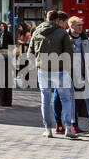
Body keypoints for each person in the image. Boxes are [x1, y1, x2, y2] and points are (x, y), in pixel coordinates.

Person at [31, 10, 77, 138]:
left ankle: (48, 129)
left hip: (43, 70)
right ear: (57, 20)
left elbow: (31, 51)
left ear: (47, 19)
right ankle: (68, 128)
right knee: (66, 99)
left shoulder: (37, 31)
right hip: (60, 69)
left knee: (45, 100)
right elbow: (69, 53)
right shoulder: (62, 32)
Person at [66, 15, 89, 134]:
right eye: (78, 25)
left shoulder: (85, 38)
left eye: (82, 25)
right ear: (71, 26)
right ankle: (73, 124)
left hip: (85, 74)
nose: (81, 27)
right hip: (71, 75)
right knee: (73, 100)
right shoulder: (66, 38)